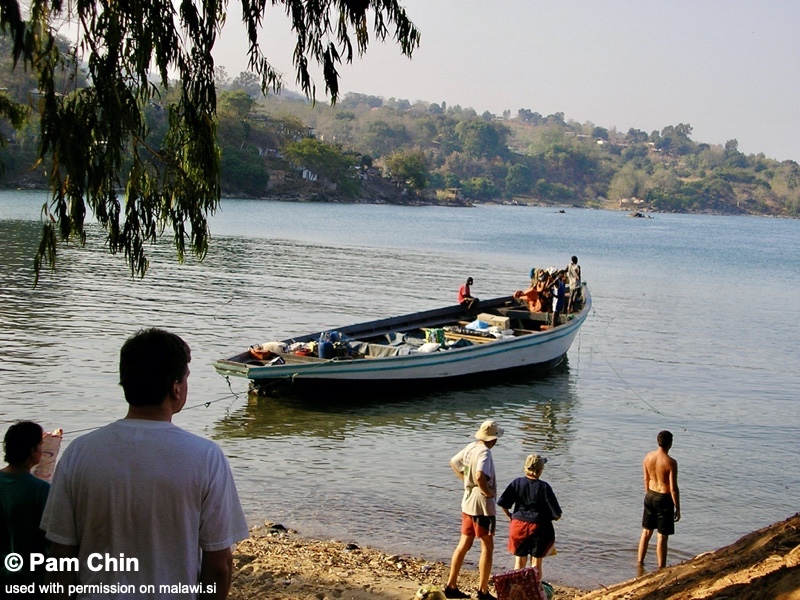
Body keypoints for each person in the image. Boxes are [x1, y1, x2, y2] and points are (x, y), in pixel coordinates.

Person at [41, 328, 249, 599]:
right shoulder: (205, 457)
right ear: (175, 388)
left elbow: (60, 558)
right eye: (185, 379)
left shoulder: (80, 452)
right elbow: (219, 565)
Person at [445, 420, 504, 600]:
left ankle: (451, 585)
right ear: (492, 439)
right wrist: (487, 492)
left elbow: (454, 462)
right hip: (482, 507)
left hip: (468, 502)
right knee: (487, 546)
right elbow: (479, 475)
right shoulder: (485, 452)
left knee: (464, 543)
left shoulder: (471, 447)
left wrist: (465, 481)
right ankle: (483, 590)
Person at [1, 421, 50, 594]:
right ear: (32, 451)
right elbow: (51, 537)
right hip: (28, 580)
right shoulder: (40, 490)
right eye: (40, 445)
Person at [498, 454, 562, 582]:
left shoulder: (516, 483)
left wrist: (510, 517)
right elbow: (557, 514)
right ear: (540, 470)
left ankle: (517, 591)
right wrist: (550, 518)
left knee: (519, 561)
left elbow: (503, 504)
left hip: (518, 525)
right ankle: (534, 591)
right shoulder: (544, 487)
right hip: (539, 527)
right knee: (536, 563)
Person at [637, 430, 680, 570]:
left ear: (658, 441)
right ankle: (661, 568)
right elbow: (673, 488)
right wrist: (677, 507)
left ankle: (640, 563)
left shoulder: (648, 457)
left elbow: (645, 478)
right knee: (662, 536)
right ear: (670, 443)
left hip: (650, 495)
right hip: (664, 498)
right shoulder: (671, 462)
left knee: (646, 532)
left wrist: (648, 494)